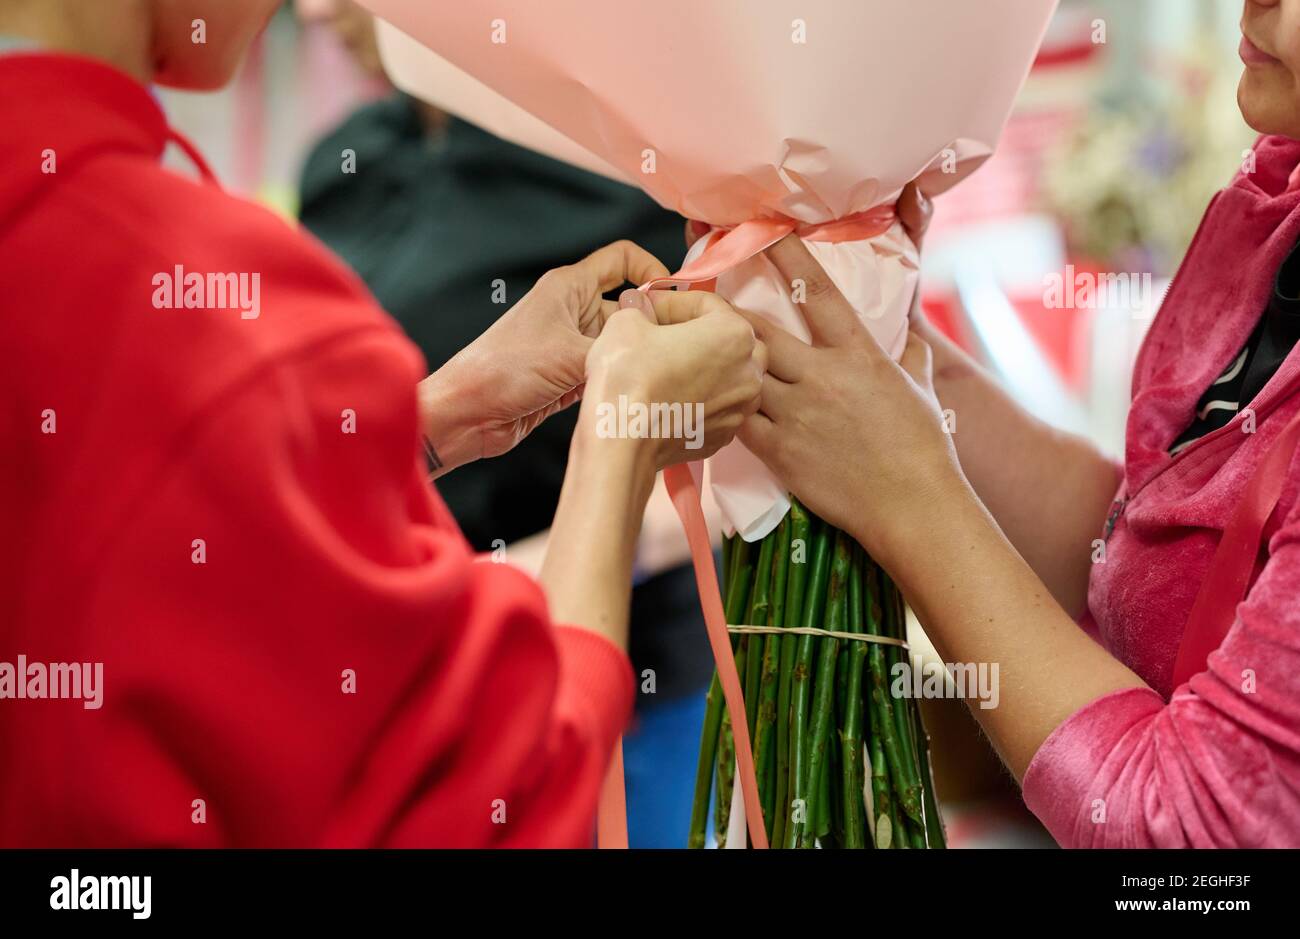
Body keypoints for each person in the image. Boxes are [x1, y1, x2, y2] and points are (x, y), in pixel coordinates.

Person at [0, 0, 762, 847]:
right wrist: (619, 442)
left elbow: (151, 508)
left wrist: (433, 420)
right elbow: (511, 798)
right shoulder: (216, 290)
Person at [732, 0, 1300, 847]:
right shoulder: (1275, 205)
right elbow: (1154, 567)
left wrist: (909, 498)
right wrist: (882, 346)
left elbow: (1190, 840)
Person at [291, 0, 715, 847]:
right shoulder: (342, 170)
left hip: (628, 671)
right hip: (412, 675)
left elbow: (719, 417)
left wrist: (536, 569)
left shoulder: (619, 152)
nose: (315, 8)